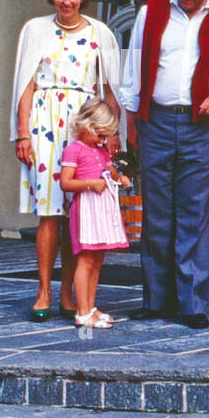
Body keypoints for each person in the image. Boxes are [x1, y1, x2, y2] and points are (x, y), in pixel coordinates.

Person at [116, 0, 209, 330]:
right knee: (157, 213)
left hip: (200, 124)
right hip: (156, 121)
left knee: (194, 212)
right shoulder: (150, 13)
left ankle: (192, 303)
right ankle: (157, 300)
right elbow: (134, 73)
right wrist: (132, 126)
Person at [11, 0, 122, 322]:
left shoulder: (99, 33)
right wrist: (22, 133)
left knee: (79, 213)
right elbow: (24, 85)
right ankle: (43, 290)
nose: (67, 1)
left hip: (84, 125)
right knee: (49, 212)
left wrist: (112, 134)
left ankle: (68, 292)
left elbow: (110, 90)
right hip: (44, 123)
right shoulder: (35, 30)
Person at [59, 99, 132, 329]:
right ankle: (81, 311)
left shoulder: (100, 150)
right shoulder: (74, 149)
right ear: (86, 126)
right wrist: (90, 183)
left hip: (102, 209)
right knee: (86, 258)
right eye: (100, 135)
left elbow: (109, 170)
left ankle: (90, 307)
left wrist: (120, 178)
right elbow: (65, 182)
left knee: (97, 260)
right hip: (86, 210)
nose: (102, 141)